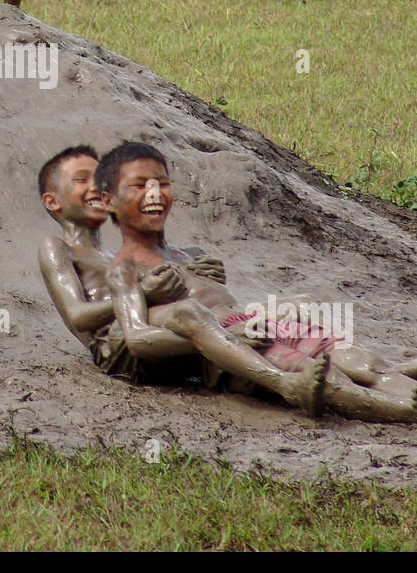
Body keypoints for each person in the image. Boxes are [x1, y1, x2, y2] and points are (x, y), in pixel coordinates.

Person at [37, 145, 330, 417]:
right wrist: (142, 294)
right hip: (119, 348)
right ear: (52, 201)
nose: (95, 187)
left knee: (280, 313)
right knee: (203, 324)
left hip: (161, 339)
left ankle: (277, 364)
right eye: (81, 180)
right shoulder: (57, 247)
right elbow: (77, 316)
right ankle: (280, 379)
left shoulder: (116, 255)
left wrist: (196, 270)